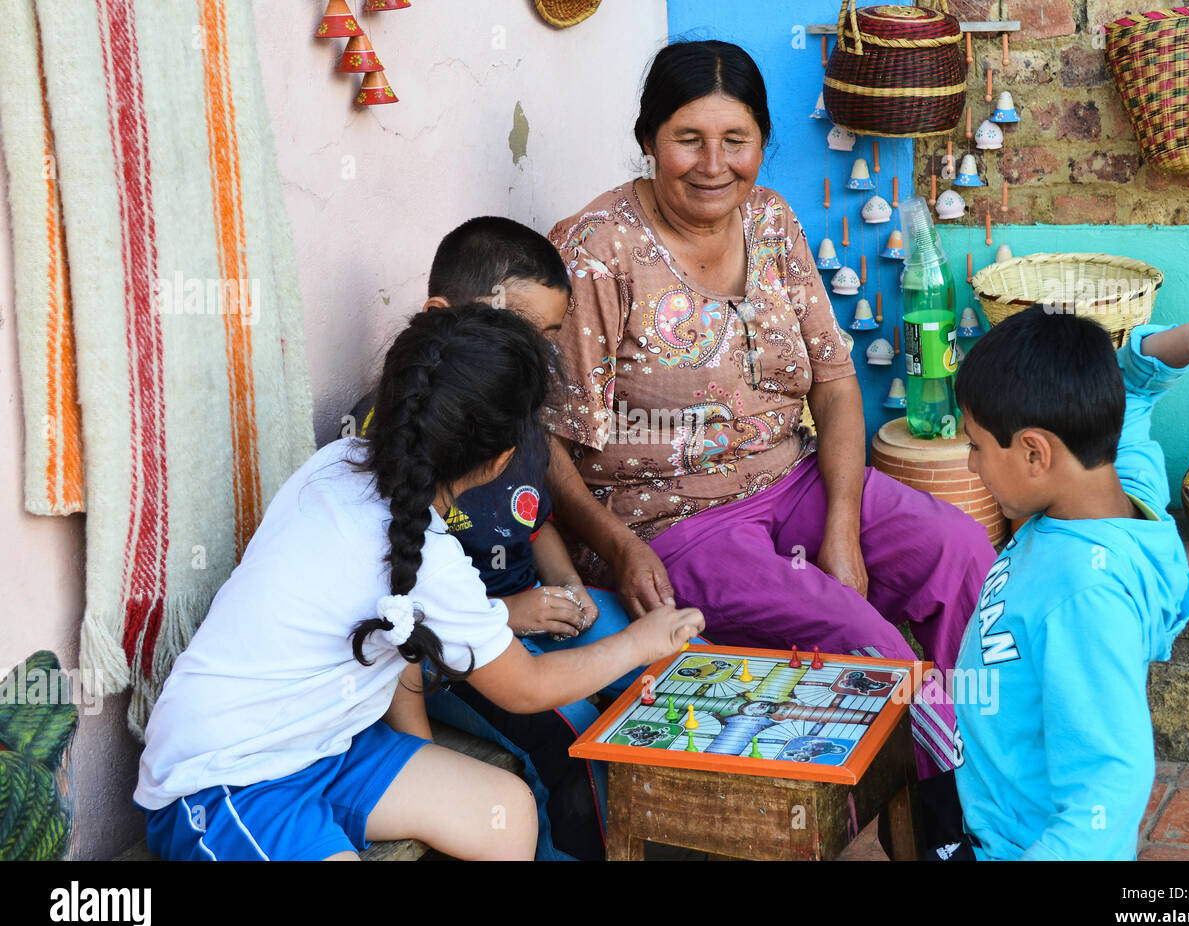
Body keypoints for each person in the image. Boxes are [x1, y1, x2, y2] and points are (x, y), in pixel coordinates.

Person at [543, 40, 995, 778]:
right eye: (688, 139)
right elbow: (546, 437)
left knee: (962, 554)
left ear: (761, 143)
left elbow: (836, 384)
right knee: (860, 639)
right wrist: (621, 546)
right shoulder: (598, 250)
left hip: (796, 482)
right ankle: (941, 808)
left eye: (736, 140)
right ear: (647, 141)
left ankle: (988, 767)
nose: (714, 163)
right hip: (671, 523)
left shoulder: (773, 221)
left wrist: (842, 525)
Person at [134, 304, 704, 861]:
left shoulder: (340, 464)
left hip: (330, 745)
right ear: (503, 458)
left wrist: (422, 756)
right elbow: (526, 686)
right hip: (224, 779)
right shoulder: (425, 555)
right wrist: (643, 642)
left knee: (506, 813)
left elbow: (396, 631)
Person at [344, 216, 705, 860]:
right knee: (576, 738)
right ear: (440, 315)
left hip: (528, 612)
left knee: (676, 672)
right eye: (520, 332)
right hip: (452, 655)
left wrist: (566, 587)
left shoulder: (516, 414)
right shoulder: (406, 437)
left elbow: (532, 518)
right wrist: (517, 613)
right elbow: (412, 615)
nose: (538, 357)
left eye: (544, 337)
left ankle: (691, 838)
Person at [950, 305, 1189, 860]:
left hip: (1014, 842)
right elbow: (1135, 391)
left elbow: (1109, 788)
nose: (973, 464)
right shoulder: (1121, 480)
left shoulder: (1085, 601)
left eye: (977, 445)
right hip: (987, 795)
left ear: (1033, 452)